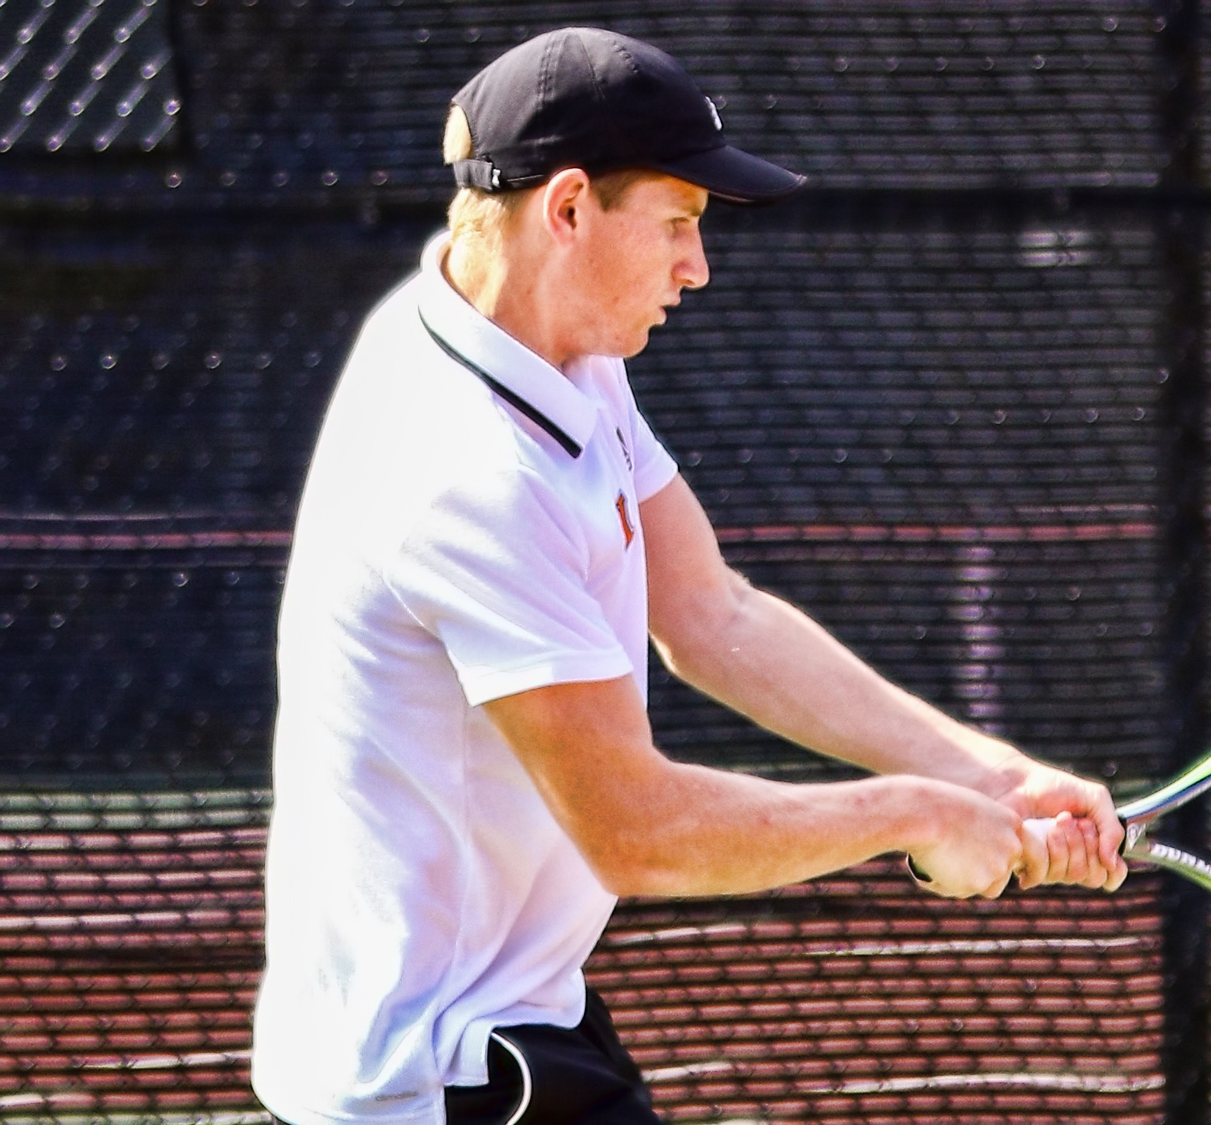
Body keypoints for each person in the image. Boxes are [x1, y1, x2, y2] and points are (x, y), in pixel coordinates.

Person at [250, 27, 1127, 1125]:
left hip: (515, 1029)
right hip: (432, 1085)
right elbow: (635, 831)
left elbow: (712, 615)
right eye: (677, 223)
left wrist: (987, 779)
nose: (695, 266)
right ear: (566, 210)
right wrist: (910, 814)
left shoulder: (548, 347)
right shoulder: (464, 474)